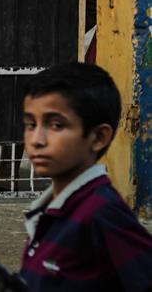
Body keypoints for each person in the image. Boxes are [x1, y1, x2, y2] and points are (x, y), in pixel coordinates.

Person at [20, 62, 152, 291]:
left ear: (99, 137)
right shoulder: (52, 210)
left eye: (56, 125)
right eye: (31, 124)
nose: (36, 140)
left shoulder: (102, 212)